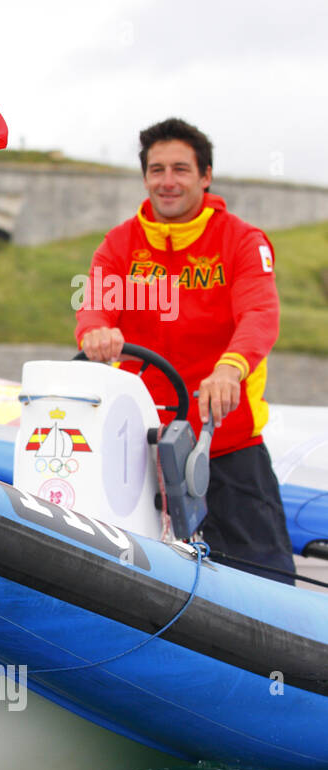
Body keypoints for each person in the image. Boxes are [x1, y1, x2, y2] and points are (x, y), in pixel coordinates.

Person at [77, 118, 295, 584]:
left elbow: (260, 315)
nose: (168, 181)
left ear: (205, 176)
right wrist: (95, 331)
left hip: (226, 443)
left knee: (267, 581)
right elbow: (94, 308)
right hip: (140, 449)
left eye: (180, 169)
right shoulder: (119, 245)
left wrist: (230, 369)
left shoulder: (242, 241)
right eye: (157, 170)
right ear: (145, 178)